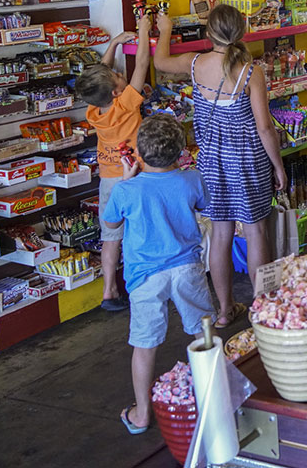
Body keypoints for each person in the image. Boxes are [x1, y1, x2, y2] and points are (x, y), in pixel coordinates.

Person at [154, 6, 286, 328]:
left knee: (221, 233)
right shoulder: (251, 72)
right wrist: (278, 167)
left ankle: (225, 311)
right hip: (248, 160)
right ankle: (263, 308)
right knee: (256, 232)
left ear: (208, 33)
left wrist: (165, 28)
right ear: (242, 32)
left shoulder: (195, 64)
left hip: (211, 161)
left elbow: (159, 62)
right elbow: (265, 128)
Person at [103, 113, 214, 436]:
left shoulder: (127, 191)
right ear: (180, 151)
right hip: (187, 267)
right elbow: (202, 205)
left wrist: (127, 180)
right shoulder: (192, 178)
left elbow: (111, 224)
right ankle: (213, 396)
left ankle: (141, 414)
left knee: (144, 343)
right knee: (203, 332)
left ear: (138, 151)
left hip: (144, 276)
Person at [74, 15, 153, 312]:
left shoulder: (94, 111)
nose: (121, 75)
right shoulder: (126, 104)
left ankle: (109, 291)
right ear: (117, 91)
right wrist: (144, 31)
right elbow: (142, 64)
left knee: (111, 237)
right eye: (119, 77)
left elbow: (101, 74)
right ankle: (139, 287)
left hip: (109, 178)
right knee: (137, 233)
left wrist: (116, 43)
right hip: (135, 175)